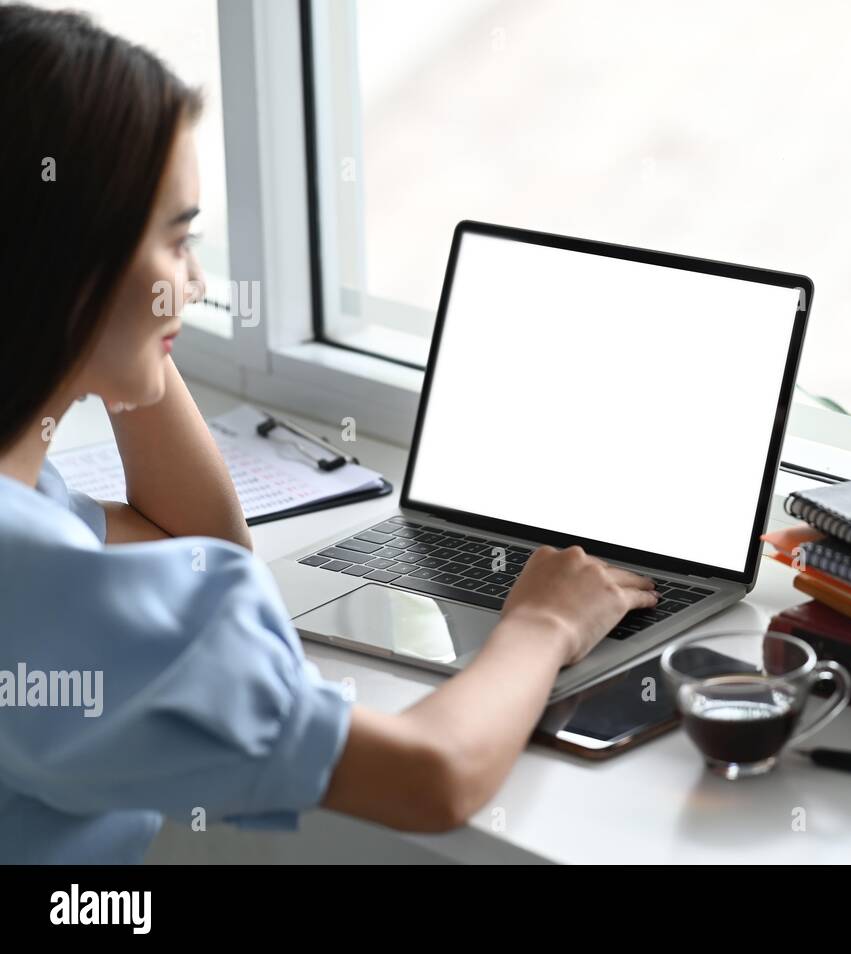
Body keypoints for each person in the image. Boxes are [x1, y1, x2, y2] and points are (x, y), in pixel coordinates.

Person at [0, 4, 657, 863]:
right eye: (177, 241)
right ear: (67, 257)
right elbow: (432, 777)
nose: (196, 284)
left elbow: (198, 550)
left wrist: (106, 332)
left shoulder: (27, 499)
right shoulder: (39, 580)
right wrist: (544, 625)